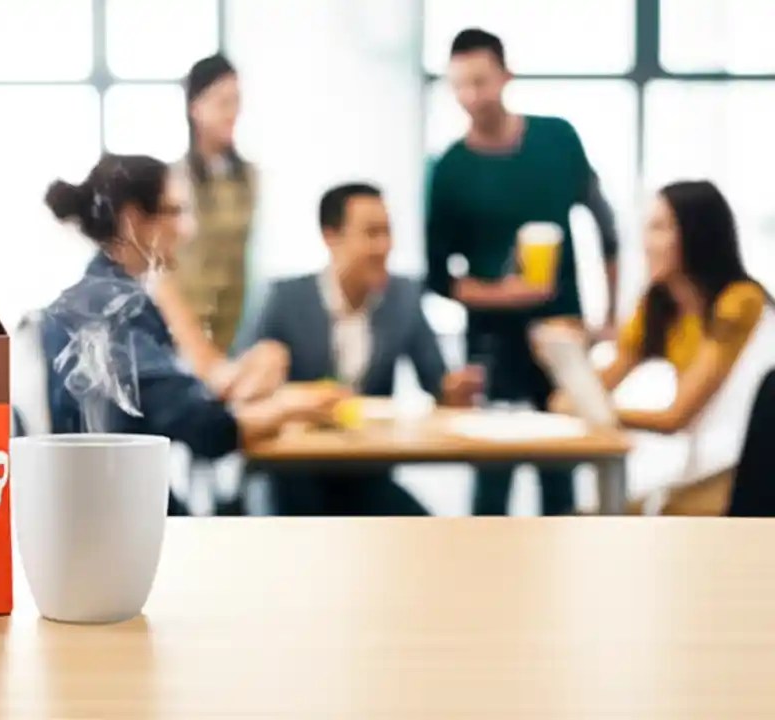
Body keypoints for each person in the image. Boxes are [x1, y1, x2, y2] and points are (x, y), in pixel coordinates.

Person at [40, 154, 345, 514]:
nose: (188, 230)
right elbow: (207, 429)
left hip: (112, 508)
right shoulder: (113, 312)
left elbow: (181, 393)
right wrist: (294, 407)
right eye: (176, 211)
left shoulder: (104, 297)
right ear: (133, 220)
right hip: (124, 517)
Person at [426, 28, 622, 516]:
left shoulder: (557, 139)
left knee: (563, 472)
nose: (471, 96)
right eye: (460, 86)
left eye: (480, 81)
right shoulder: (450, 169)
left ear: (505, 76)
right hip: (493, 344)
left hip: (561, 334)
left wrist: (609, 317)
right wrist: (508, 295)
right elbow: (439, 278)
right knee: (492, 477)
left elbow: (605, 228)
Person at [243, 183, 483, 516]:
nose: (383, 246)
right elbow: (247, 391)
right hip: (295, 477)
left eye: (387, 232)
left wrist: (457, 390)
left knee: (433, 537)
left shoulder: (404, 297)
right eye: (371, 233)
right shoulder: (284, 299)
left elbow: (439, 386)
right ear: (331, 236)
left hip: (367, 473)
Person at [554, 181, 772, 514]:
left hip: (738, 469)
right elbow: (602, 382)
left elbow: (676, 416)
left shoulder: (739, 302)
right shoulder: (658, 307)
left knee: (606, 523)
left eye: (660, 228)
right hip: (696, 469)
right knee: (587, 519)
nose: (646, 243)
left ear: (696, 233)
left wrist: (593, 410)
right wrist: (568, 358)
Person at [154, 54, 258, 384]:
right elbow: (160, 272)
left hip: (235, 334)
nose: (233, 112)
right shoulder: (173, 180)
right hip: (181, 338)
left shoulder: (251, 179)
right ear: (194, 107)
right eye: (222, 101)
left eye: (236, 101)